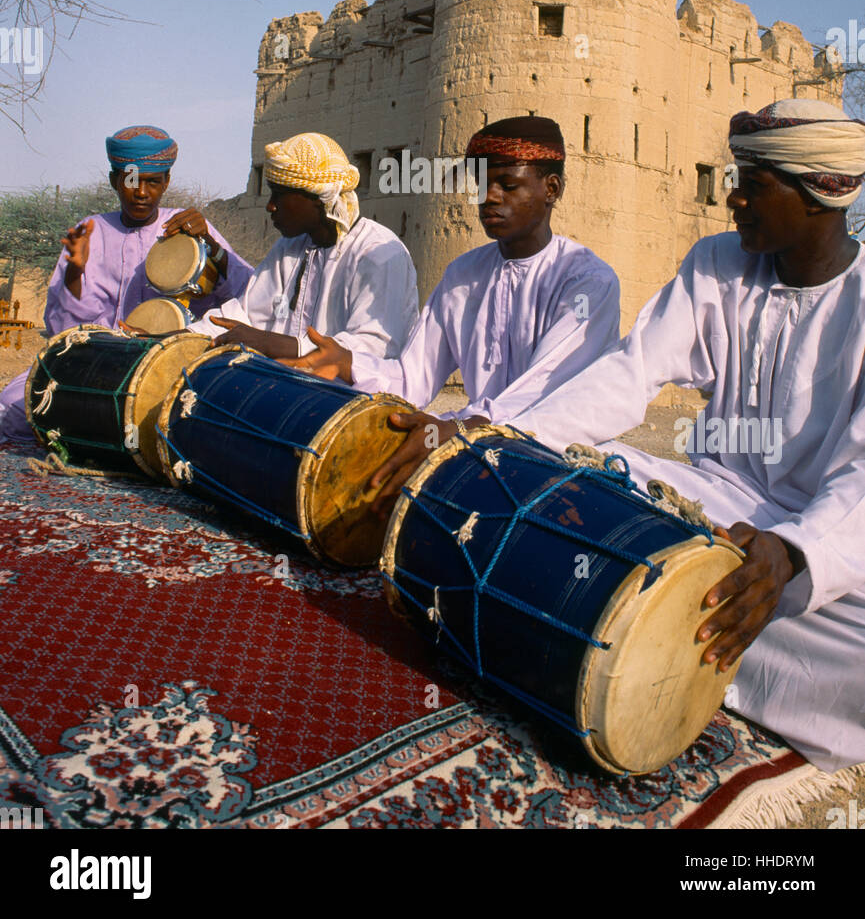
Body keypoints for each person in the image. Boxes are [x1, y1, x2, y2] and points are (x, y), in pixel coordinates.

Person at [497, 98, 865, 773]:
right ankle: (672, 630)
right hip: (707, 503)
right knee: (580, 474)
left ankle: (663, 631)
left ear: (821, 193)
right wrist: (509, 438)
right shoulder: (716, 262)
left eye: (753, 186)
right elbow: (631, 371)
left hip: (826, 548)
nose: (731, 199)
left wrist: (793, 551)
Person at [287, 117, 620, 512]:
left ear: (551, 189)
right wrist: (349, 364)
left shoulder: (587, 281)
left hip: (557, 458)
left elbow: (543, 397)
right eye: (482, 185)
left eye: (507, 186)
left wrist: (457, 427)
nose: (489, 197)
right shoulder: (463, 274)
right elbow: (413, 377)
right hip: (468, 444)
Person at [0, 125, 252, 440]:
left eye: (153, 182)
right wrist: (75, 272)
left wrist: (212, 248)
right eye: (131, 180)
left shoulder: (190, 227)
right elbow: (62, 329)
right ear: (115, 181)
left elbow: (248, 294)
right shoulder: (91, 229)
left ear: (166, 182)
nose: (142, 192)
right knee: (13, 406)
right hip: (97, 362)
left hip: (167, 364)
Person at [190, 131, 418, 361]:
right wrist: (180, 337)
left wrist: (272, 343)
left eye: (278, 195)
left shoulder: (378, 254)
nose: (270, 206)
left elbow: (374, 346)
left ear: (318, 197)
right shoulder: (289, 247)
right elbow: (244, 316)